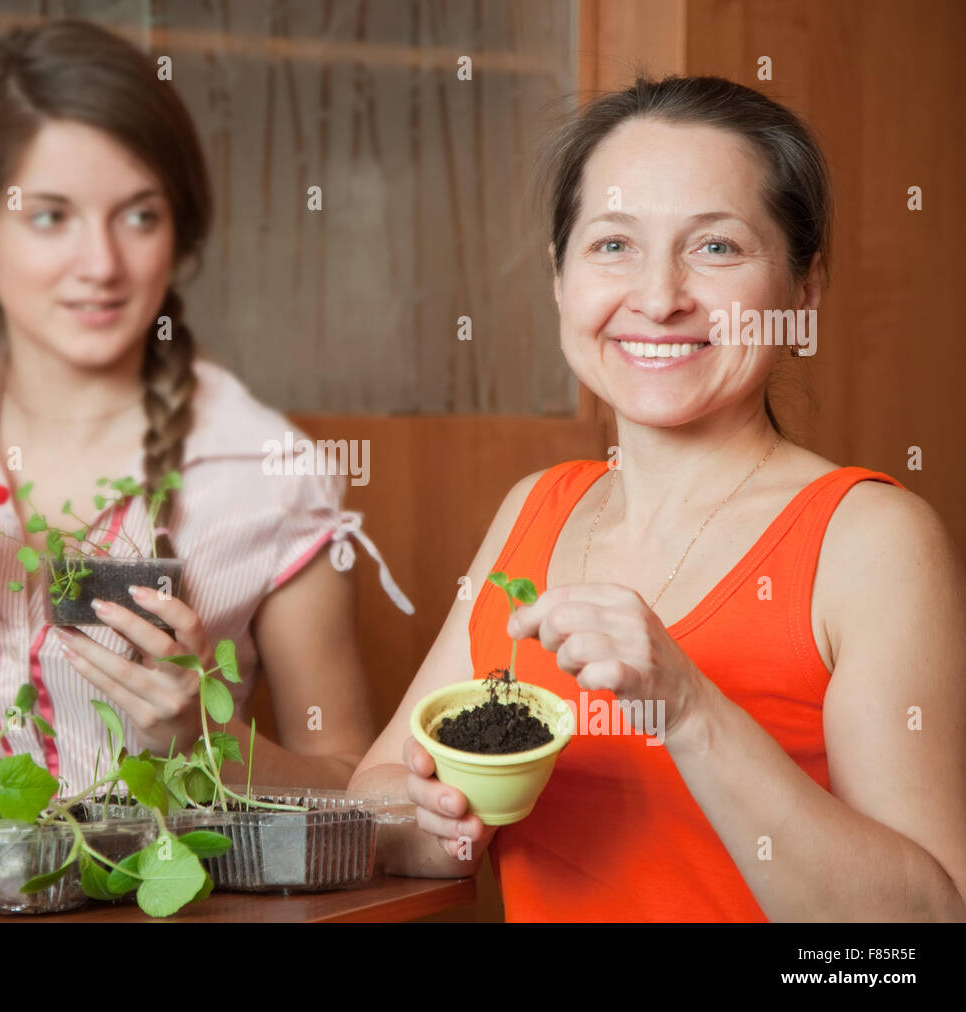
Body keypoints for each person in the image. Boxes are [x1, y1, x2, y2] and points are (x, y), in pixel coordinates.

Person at [350, 75, 966, 921]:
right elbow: (380, 790)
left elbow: (926, 919)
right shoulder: (538, 507)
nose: (657, 297)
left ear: (804, 289)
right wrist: (429, 822)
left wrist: (689, 708)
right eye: (612, 245)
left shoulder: (871, 537)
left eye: (715, 248)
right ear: (559, 278)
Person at [0, 19, 413, 796]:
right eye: (50, 216)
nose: (101, 264)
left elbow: (358, 792)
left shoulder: (270, 474)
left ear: (177, 233)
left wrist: (207, 742)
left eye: (139, 215)